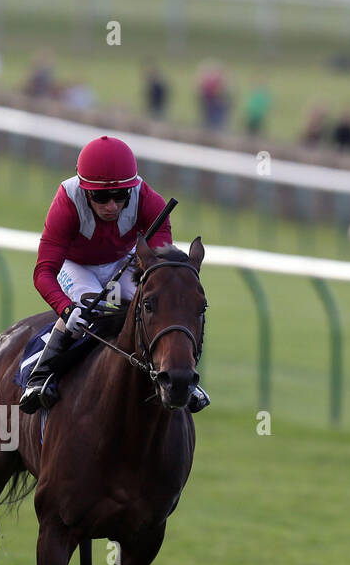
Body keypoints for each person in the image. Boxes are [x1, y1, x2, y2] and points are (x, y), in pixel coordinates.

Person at [21, 135, 209, 414]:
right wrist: (65, 308)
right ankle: (39, 375)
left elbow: (159, 269)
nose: (112, 205)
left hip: (126, 261)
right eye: (101, 196)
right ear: (85, 191)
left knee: (152, 308)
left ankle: (179, 376)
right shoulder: (67, 201)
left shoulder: (150, 201)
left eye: (120, 196)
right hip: (76, 265)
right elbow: (44, 272)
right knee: (87, 310)